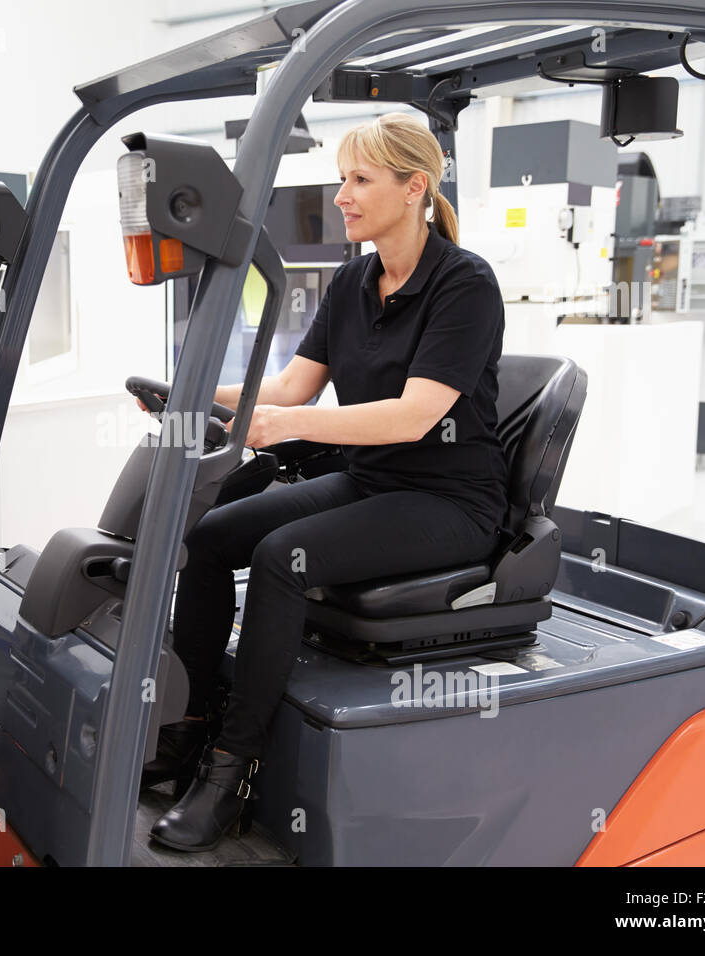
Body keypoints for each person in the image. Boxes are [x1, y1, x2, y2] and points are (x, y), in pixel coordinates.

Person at [145, 112, 510, 852]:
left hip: (449, 502)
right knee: (211, 538)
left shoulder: (464, 285)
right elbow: (287, 389)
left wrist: (293, 428)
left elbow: (415, 417)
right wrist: (192, 390)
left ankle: (230, 772)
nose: (341, 195)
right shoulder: (354, 280)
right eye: (343, 178)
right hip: (373, 482)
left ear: (414, 189)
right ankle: (186, 729)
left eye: (359, 180)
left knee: (284, 557)